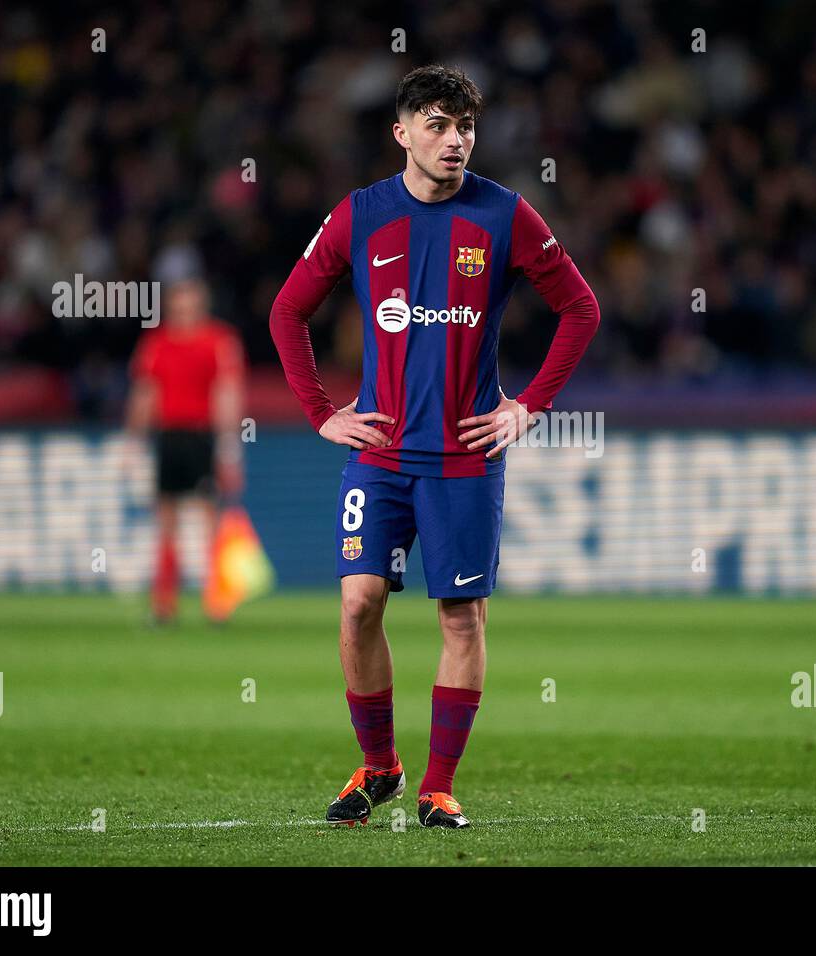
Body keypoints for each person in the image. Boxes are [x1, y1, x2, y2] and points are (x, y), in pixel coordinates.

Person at [269, 65, 600, 828]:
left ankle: (437, 787)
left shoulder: (506, 215)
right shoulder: (359, 215)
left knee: (462, 618)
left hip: (464, 457)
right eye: (439, 126)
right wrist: (320, 412)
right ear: (403, 132)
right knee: (359, 605)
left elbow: (580, 309)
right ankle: (379, 766)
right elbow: (287, 311)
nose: (456, 141)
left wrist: (529, 405)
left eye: (467, 128)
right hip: (380, 450)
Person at [127, 277, 245, 623]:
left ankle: (216, 604)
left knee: (210, 522)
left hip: (201, 437)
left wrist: (228, 446)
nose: (185, 312)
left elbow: (227, 392)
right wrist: (134, 441)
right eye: (179, 306)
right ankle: (164, 604)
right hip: (168, 437)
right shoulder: (156, 343)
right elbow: (145, 393)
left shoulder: (219, 340)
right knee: (166, 522)